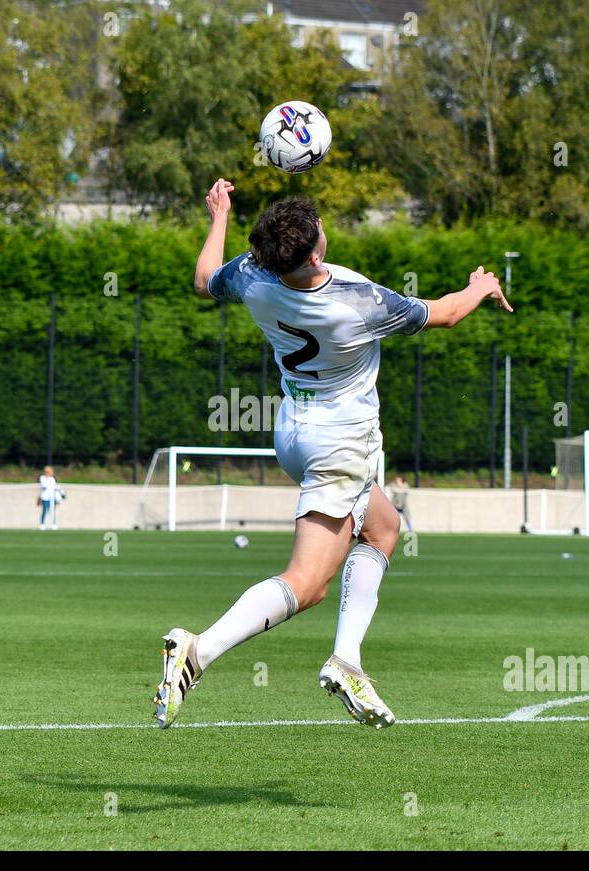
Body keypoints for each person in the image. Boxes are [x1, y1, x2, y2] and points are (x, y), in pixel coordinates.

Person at [153, 182, 512, 730]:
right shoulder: (359, 302)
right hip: (340, 444)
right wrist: (479, 286)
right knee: (308, 583)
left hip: (294, 432)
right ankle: (197, 652)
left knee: (385, 527)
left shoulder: (253, 276)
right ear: (316, 252)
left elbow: (204, 280)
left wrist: (220, 215)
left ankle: (348, 661)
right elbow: (443, 314)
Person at [37, 465, 58, 530]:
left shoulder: (52, 479)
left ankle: (54, 524)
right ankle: (42, 524)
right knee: (45, 510)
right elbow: (44, 485)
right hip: (45, 497)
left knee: (52, 511)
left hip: (52, 497)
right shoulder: (42, 478)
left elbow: (54, 487)